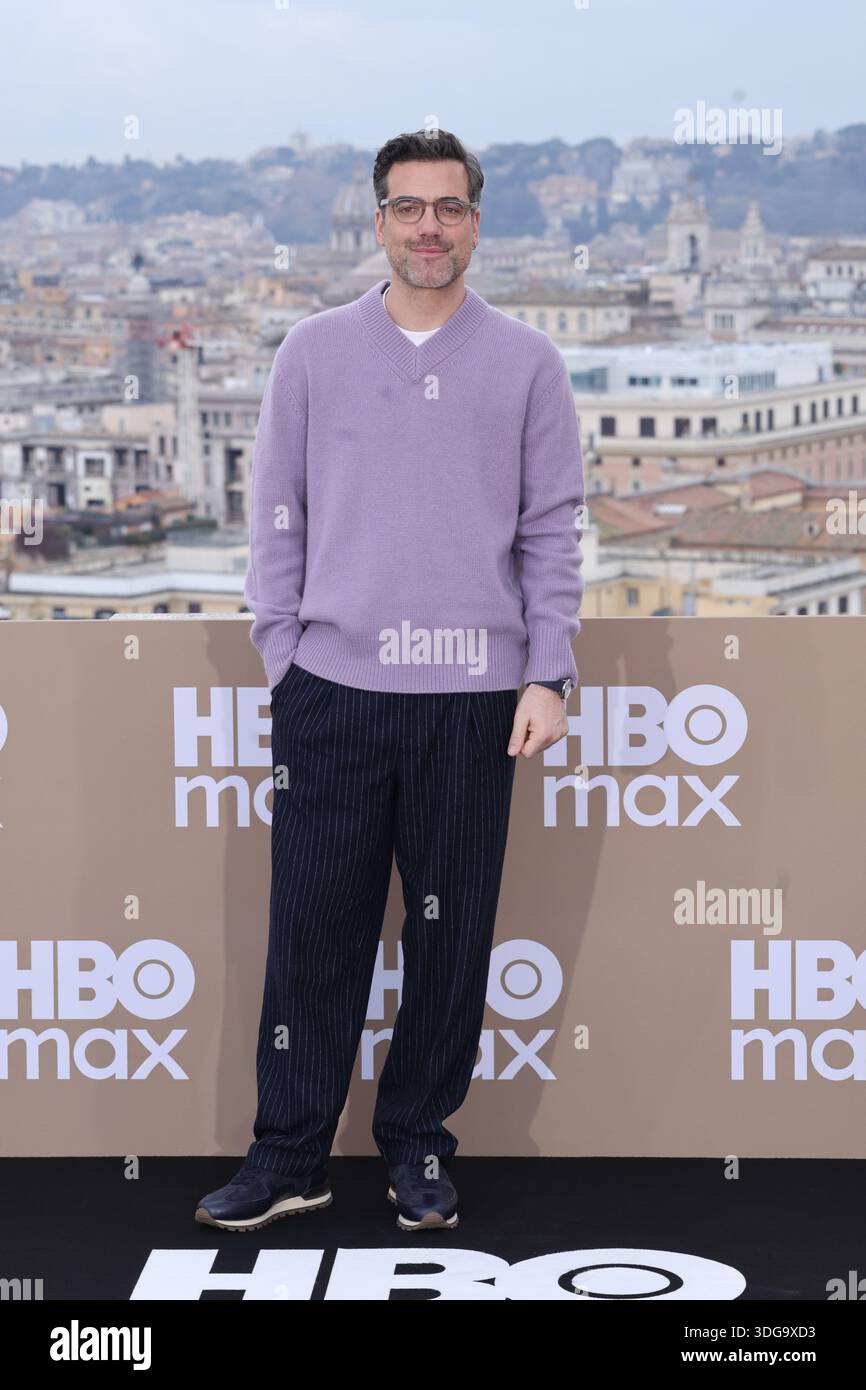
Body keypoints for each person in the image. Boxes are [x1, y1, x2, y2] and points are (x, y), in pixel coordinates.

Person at [195, 128, 584, 1234]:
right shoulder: (310, 352)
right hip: (334, 693)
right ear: (377, 220)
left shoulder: (526, 363)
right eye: (407, 207)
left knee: (447, 938)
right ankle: (290, 1152)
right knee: (313, 933)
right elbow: (277, 515)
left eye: (447, 207)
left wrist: (546, 671)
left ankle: (417, 1144)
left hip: (474, 702)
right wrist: (286, 660)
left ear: (474, 221)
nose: (428, 226)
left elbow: (552, 531)